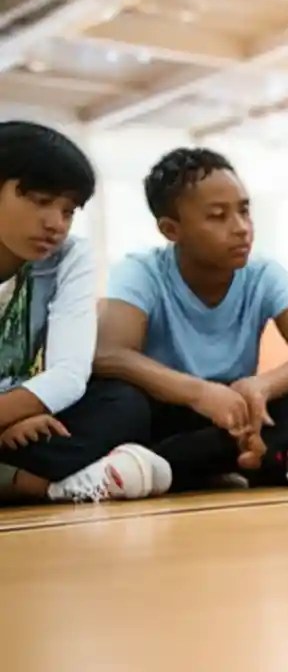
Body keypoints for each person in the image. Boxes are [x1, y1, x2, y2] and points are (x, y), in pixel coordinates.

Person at [94, 148, 288, 491]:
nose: (241, 228)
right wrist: (197, 393)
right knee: (120, 403)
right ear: (170, 229)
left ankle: (180, 467)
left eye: (244, 210)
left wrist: (262, 384)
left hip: (237, 413)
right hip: (170, 408)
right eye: (218, 216)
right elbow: (108, 354)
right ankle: (264, 461)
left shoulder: (263, 273)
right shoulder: (141, 271)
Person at [0, 121, 169, 503]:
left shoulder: (69, 257)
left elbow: (69, 374)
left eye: (68, 210)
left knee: (122, 402)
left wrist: (12, 414)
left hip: (20, 413)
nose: (56, 224)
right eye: (41, 201)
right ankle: (51, 486)